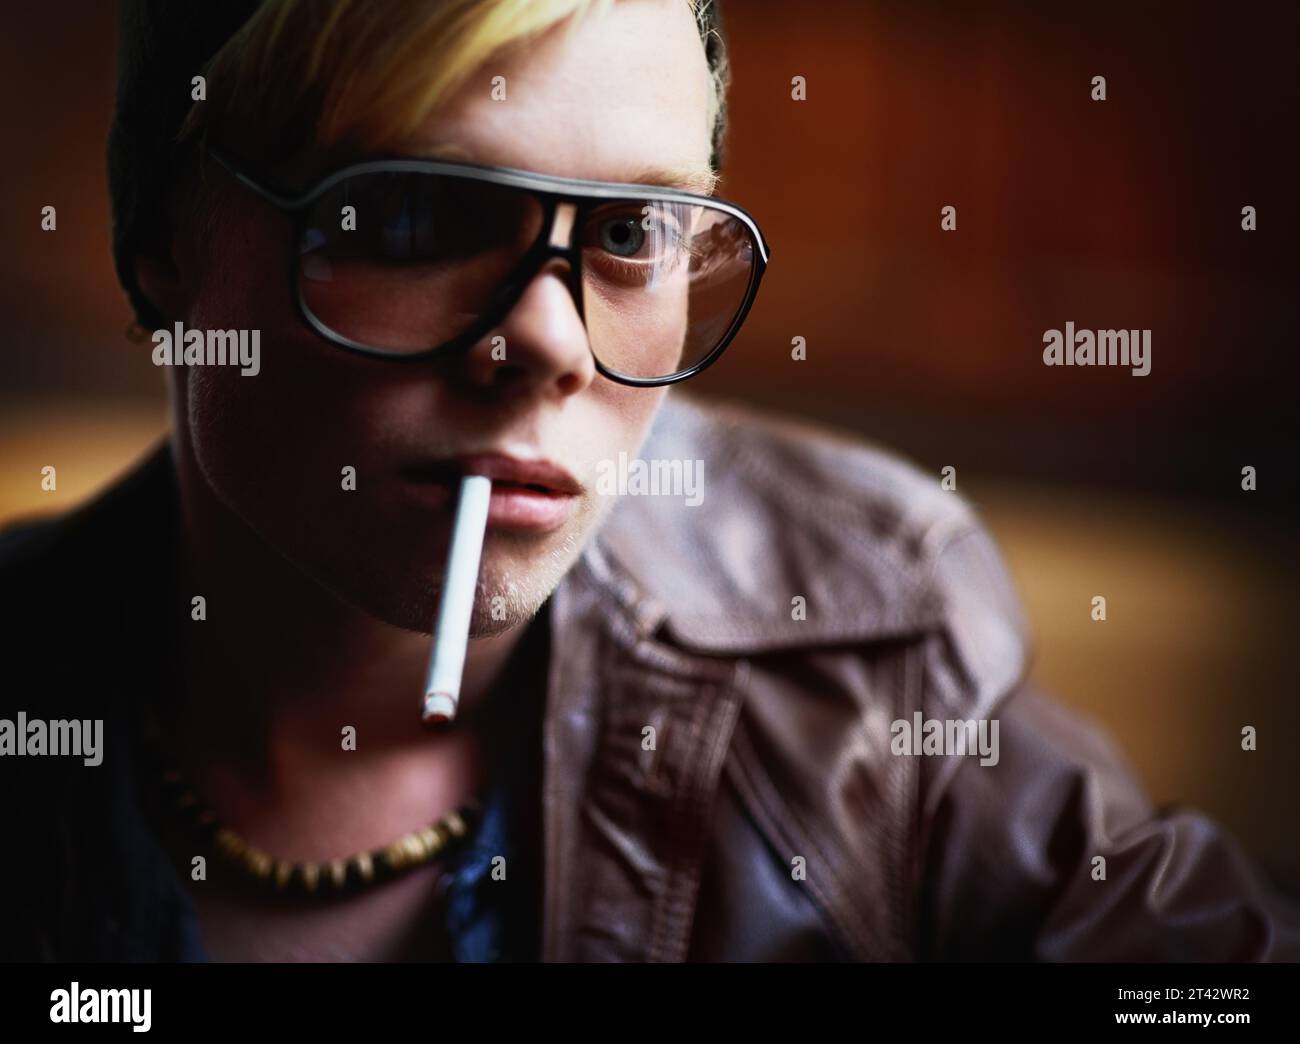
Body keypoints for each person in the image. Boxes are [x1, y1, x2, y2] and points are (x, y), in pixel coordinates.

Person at [1, 0, 1296, 963]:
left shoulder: (856, 652)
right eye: (412, 215)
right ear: (165, 237)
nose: (554, 344)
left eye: (630, 234)